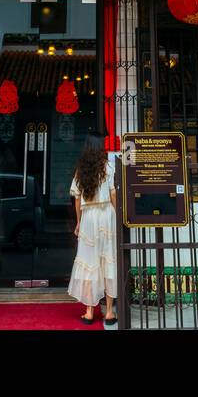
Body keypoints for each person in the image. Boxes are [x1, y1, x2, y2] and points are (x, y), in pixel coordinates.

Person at [69, 137, 117, 325]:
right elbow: (113, 193)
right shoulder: (108, 168)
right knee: (108, 260)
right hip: (106, 214)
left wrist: (79, 222)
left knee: (90, 261)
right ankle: (110, 312)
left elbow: (77, 199)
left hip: (89, 216)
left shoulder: (81, 171)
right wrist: (118, 214)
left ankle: (89, 312)